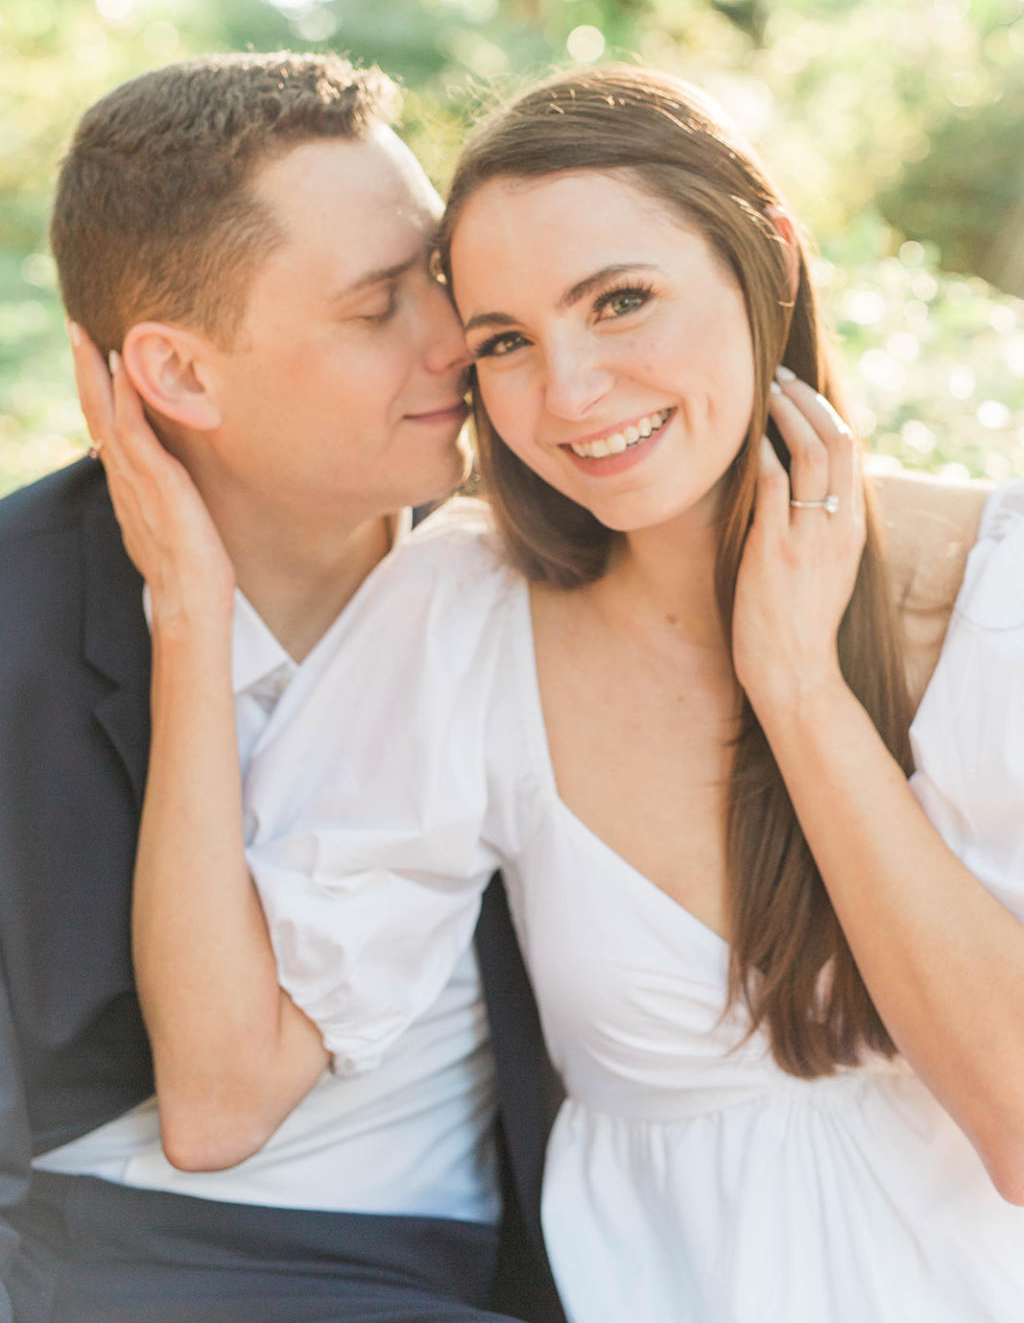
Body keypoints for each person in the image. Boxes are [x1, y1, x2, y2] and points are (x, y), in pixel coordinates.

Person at [73, 64, 1022, 1323]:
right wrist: (187, 609)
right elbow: (218, 1101)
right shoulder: (468, 611)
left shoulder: (995, 594)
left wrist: (796, 689)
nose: (570, 395)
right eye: (506, 342)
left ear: (769, 262)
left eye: (621, 301)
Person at [0, 51, 566, 1323]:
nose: (454, 341)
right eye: (378, 309)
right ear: (181, 375)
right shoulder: (15, 627)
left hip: (500, 1272)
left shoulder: (536, 558)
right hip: (120, 1271)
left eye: (438, 273)